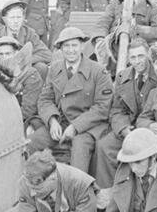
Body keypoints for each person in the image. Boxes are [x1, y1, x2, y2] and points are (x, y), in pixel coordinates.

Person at [33, 26, 114, 174]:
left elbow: (102, 107)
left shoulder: (98, 71)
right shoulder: (54, 69)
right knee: (34, 142)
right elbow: (45, 99)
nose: (71, 50)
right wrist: (52, 121)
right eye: (66, 46)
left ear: (82, 46)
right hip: (61, 123)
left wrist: (75, 127)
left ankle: (79, 193)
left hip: (88, 127)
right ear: (60, 49)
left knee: (79, 150)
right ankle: (40, 187)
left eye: (74, 45)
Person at [0, 150, 98, 212]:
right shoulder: (24, 183)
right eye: (30, 185)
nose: (32, 193)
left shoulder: (80, 183)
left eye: (37, 185)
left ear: (52, 178)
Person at [95, 37, 155, 187]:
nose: (137, 61)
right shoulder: (123, 77)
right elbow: (116, 109)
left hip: (151, 129)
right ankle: (108, 193)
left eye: (141, 56)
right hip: (129, 128)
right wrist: (123, 129)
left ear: (148, 54)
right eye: (133, 57)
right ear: (128, 59)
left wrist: (146, 128)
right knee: (104, 146)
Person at [0, 35, 44, 137]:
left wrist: (4, 121)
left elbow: (28, 110)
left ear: (16, 55)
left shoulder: (30, 74)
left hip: (25, 119)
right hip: (2, 117)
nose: (4, 58)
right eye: (1, 54)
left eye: (8, 54)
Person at [0, 0, 51, 75]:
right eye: (12, 17)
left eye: (18, 17)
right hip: (2, 72)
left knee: (41, 67)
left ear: (23, 18)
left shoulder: (29, 33)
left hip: (23, 72)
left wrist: (22, 60)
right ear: (5, 19)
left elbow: (47, 55)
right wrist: (2, 62)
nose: (16, 21)